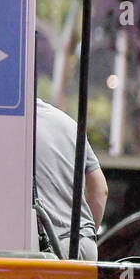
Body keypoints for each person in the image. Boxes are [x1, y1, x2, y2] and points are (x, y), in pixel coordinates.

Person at [35, 98, 108, 261]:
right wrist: (86, 233)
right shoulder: (67, 123)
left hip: (47, 250)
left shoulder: (14, 126)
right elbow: (100, 190)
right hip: (84, 244)